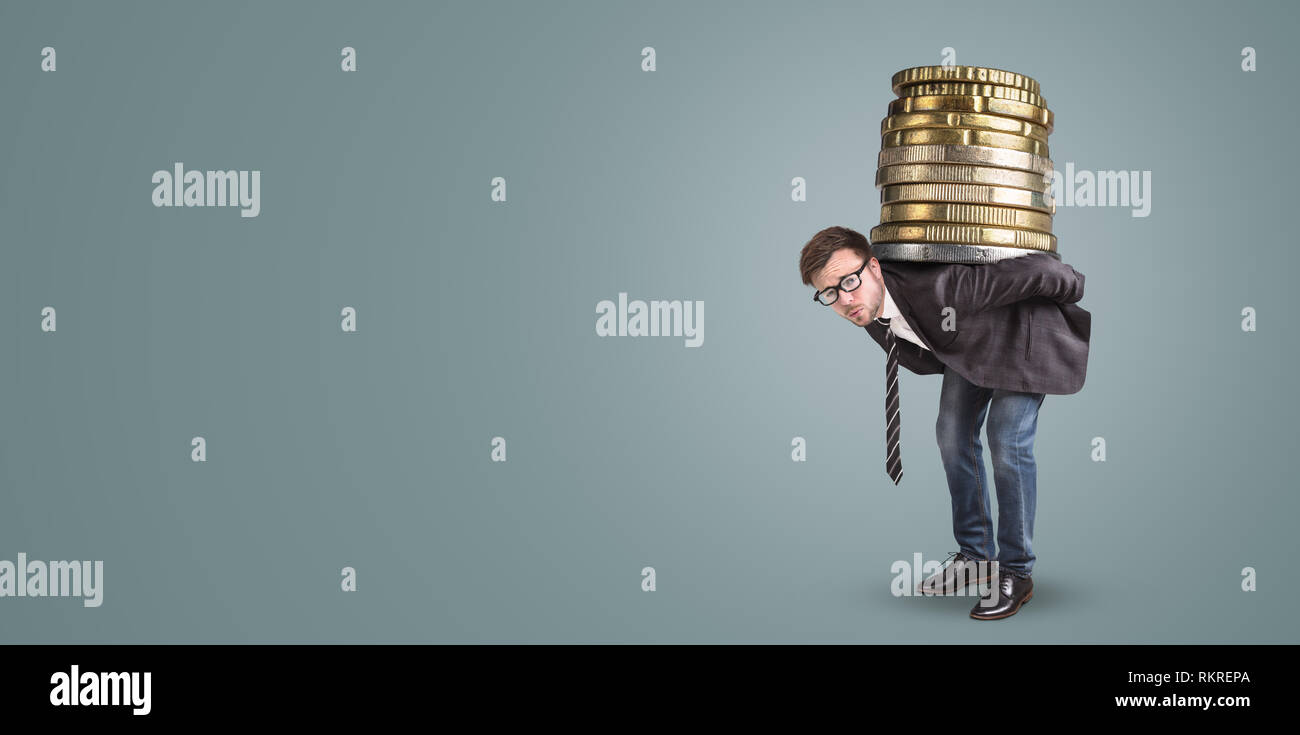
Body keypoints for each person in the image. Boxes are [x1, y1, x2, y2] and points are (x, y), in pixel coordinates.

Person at [798, 226, 1091, 620]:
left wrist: (1074, 288)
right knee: (952, 434)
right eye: (829, 293)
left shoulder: (941, 286)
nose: (845, 298)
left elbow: (1042, 269)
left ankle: (1017, 571)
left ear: (874, 267)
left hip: (1023, 332)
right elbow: (923, 348)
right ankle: (975, 557)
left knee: (1006, 439)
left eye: (850, 281)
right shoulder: (865, 313)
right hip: (971, 343)